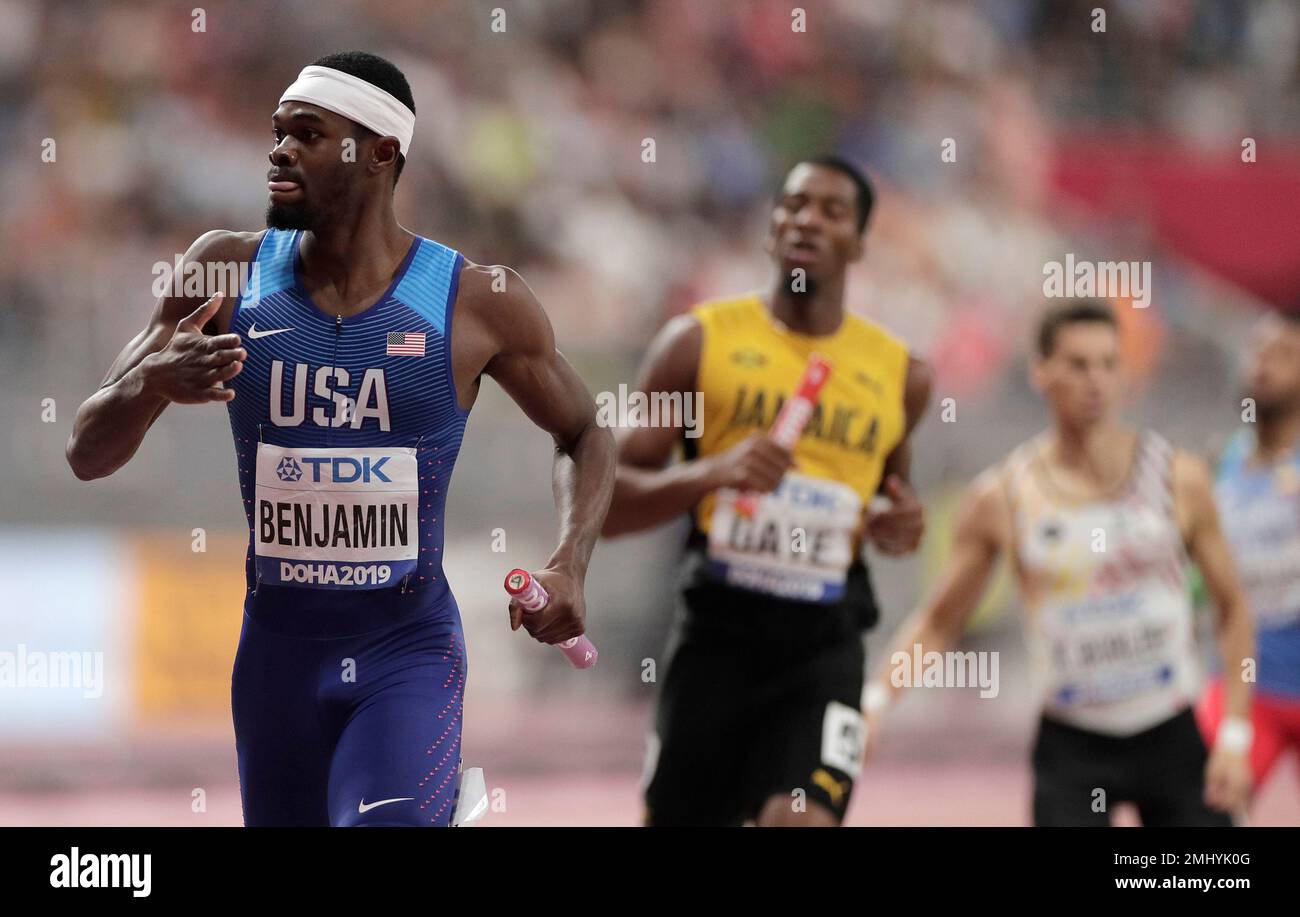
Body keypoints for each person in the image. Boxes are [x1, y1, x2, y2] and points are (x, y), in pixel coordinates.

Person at [65, 51, 614, 827]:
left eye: (308, 134)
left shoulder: (475, 301)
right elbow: (87, 452)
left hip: (406, 652)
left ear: (380, 153)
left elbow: (586, 431)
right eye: (277, 132)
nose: (278, 150)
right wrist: (151, 380)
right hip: (275, 659)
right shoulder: (222, 273)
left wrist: (570, 562)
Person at [604, 157, 932, 826]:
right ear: (771, 227)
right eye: (794, 204)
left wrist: (902, 526)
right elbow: (605, 503)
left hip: (825, 641)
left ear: (861, 242)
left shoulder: (901, 375)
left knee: (800, 818)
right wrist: (712, 472)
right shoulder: (696, 343)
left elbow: (891, 506)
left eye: (832, 210)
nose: (807, 219)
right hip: (717, 634)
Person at [865, 298, 1254, 826]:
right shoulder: (1003, 497)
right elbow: (938, 621)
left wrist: (1233, 733)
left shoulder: (1177, 478)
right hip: (1074, 748)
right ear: (1041, 372)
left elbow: (1232, 607)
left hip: (1171, 731)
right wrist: (875, 704)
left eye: (1108, 364)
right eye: (1077, 364)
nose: (1095, 381)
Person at [1199, 311, 1300, 805]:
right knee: (1199, 818)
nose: (1262, 365)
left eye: (1282, 354)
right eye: (1257, 351)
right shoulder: (1220, 463)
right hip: (1249, 686)